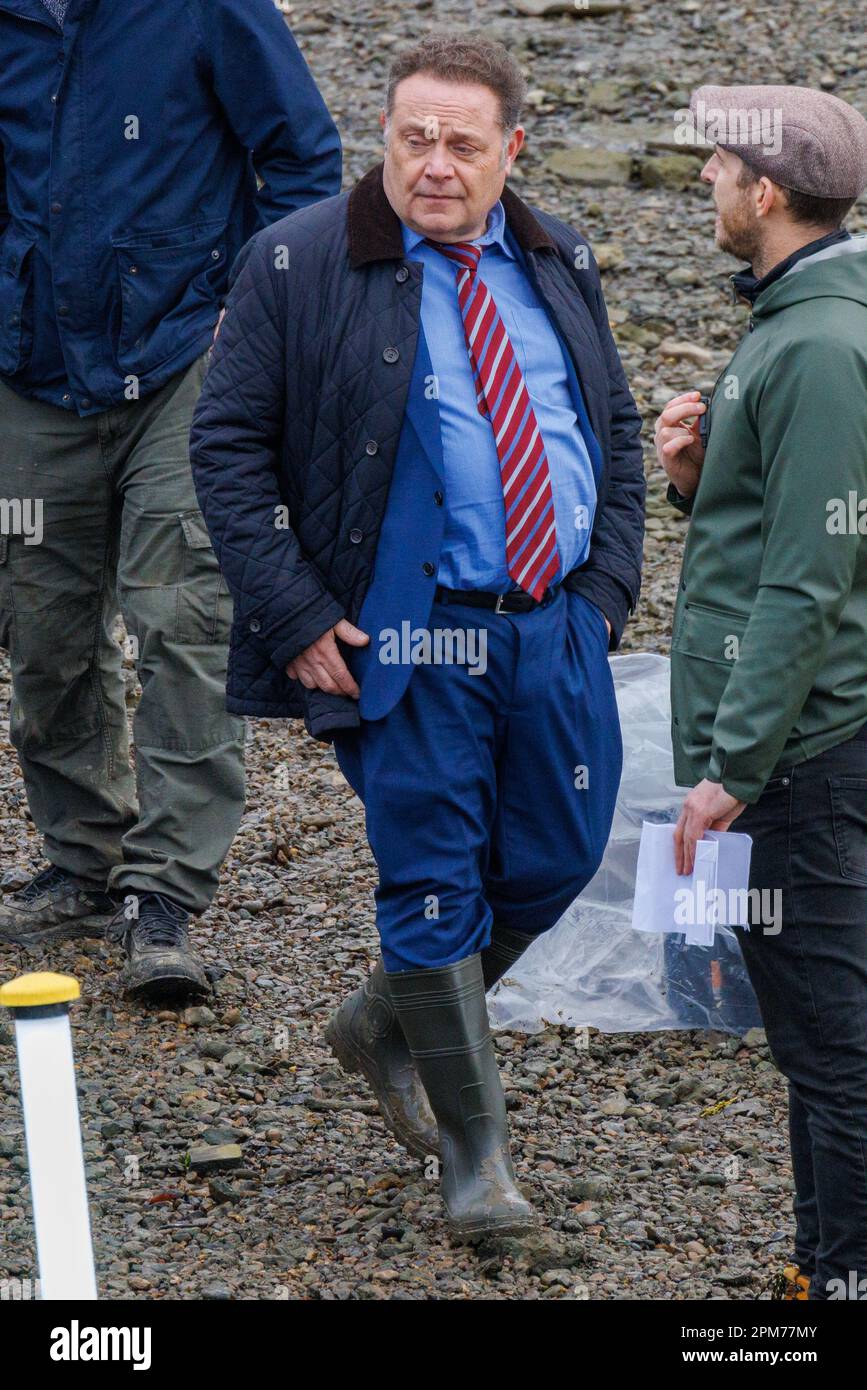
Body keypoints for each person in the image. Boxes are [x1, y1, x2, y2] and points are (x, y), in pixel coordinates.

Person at [191, 33, 644, 1241]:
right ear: (380, 135)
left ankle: (386, 1018)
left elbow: (612, 424)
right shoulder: (297, 262)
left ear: (513, 148)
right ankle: (477, 1158)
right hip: (409, 635)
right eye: (411, 138)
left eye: (461, 142)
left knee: (554, 857)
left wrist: (605, 593)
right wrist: (291, 612)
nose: (433, 165)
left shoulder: (559, 253)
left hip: (552, 628)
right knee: (435, 882)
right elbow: (225, 450)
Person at [0, 0, 341, 998]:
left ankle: (168, 895)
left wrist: (256, 317)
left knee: (184, 612)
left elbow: (303, 157)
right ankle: (82, 860)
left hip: (189, 358)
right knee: (41, 625)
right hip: (29, 370)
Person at [655, 84, 867, 1299]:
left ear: (768, 191)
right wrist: (700, 481)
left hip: (806, 756)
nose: (705, 183)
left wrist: (734, 768)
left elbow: (806, 581)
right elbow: (789, 533)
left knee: (833, 1050)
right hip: (808, 738)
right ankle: (815, 1269)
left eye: (719, 166)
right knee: (815, 1037)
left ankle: (838, 1284)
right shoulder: (803, 315)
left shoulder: (820, 344)